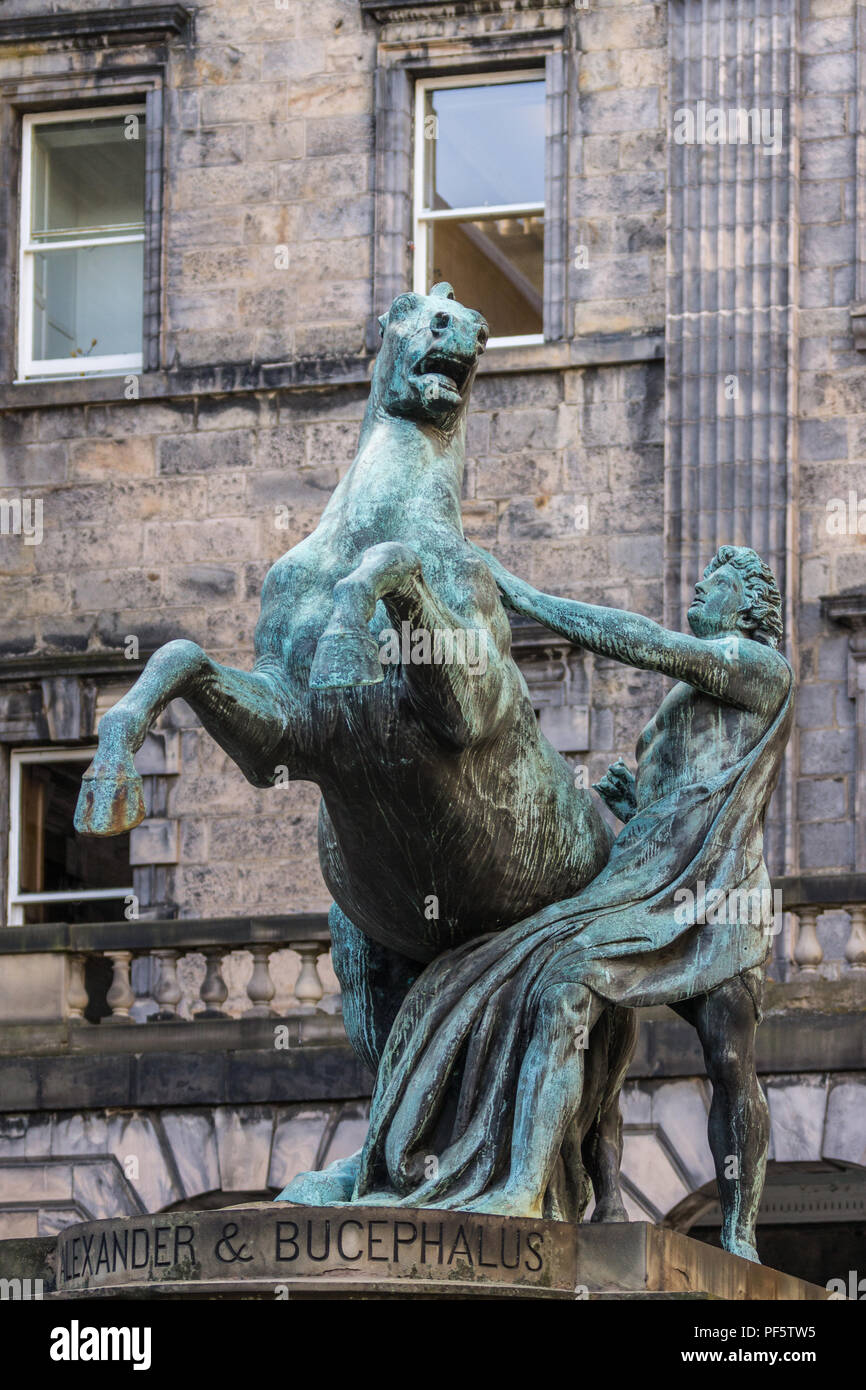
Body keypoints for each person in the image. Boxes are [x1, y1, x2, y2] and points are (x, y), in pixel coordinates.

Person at [353, 545, 793, 1263]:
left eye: (711, 584)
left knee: (730, 1058)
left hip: (721, 898)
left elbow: (647, 644)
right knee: (566, 990)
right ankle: (545, 1189)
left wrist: (527, 598)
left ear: (743, 604)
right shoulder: (688, 705)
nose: (697, 591)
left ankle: (740, 1230)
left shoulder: (758, 667)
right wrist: (635, 804)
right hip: (643, 884)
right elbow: (682, 795)